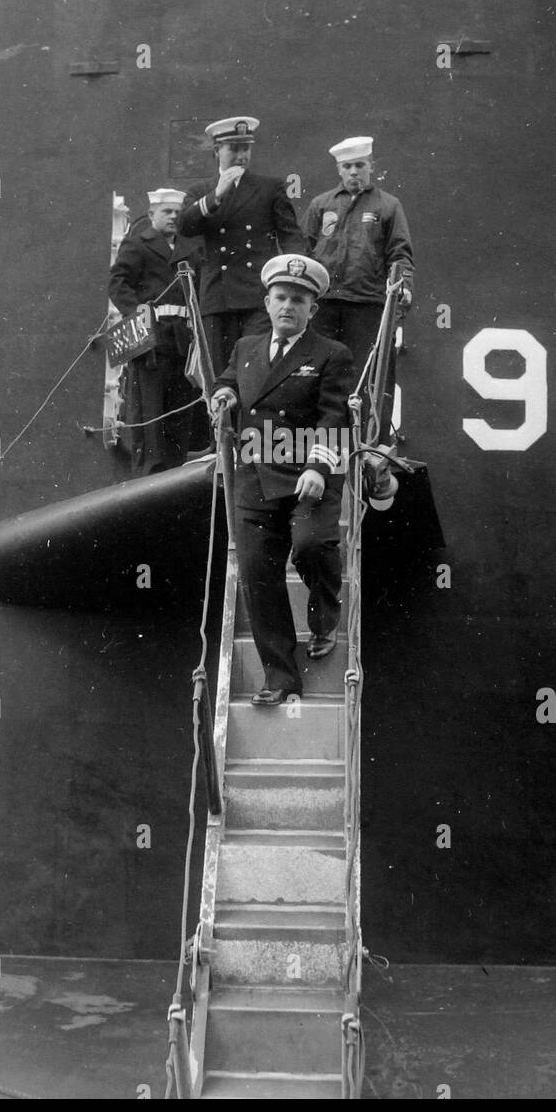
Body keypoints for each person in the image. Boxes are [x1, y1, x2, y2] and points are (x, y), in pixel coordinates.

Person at [210, 255, 355, 706]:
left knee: (310, 546)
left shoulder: (332, 354)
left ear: (312, 309)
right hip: (256, 475)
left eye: (299, 300)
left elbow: (334, 414)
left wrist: (317, 467)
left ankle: (325, 613)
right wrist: (225, 392)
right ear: (268, 302)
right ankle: (281, 677)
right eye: (281, 298)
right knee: (257, 572)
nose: (288, 306)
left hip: (312, 472)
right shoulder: (246, 348)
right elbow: (231, 379)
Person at [302, 135, 413, 434]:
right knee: (317, 372)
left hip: (367, 304)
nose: (354, 172)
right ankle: (318, 439)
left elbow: (400, 253)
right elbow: (305, 253)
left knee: (367, 375)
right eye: (347, 166)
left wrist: (404, 286)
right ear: (339, 169)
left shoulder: (388, 205)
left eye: (359, 165)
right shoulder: (320, 205)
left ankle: (367, 442)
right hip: (323, 305)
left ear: (370, 166)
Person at [178, 115, 304, 375]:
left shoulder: (270, 188)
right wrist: (216, 196)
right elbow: (185, 226)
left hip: (257, 296)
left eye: (245, 149)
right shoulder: (201, 190)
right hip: (217, 297)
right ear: (217, 151)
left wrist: (295, 275)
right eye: (233, 149)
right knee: (217, 375)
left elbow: (290, 235)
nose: (240, 156)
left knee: (254, 370)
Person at [108, 188, 203, 475]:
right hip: (151, 340)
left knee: (179, 410)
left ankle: (173, 472)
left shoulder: (192, 247)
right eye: (167, 212)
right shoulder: (138, 244)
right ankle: (149, 472)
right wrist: (137, 312)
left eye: (177, 212)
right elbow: (117, 283)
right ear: (151, 215)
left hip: (183, 342)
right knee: (149, 412)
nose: (173, 217)